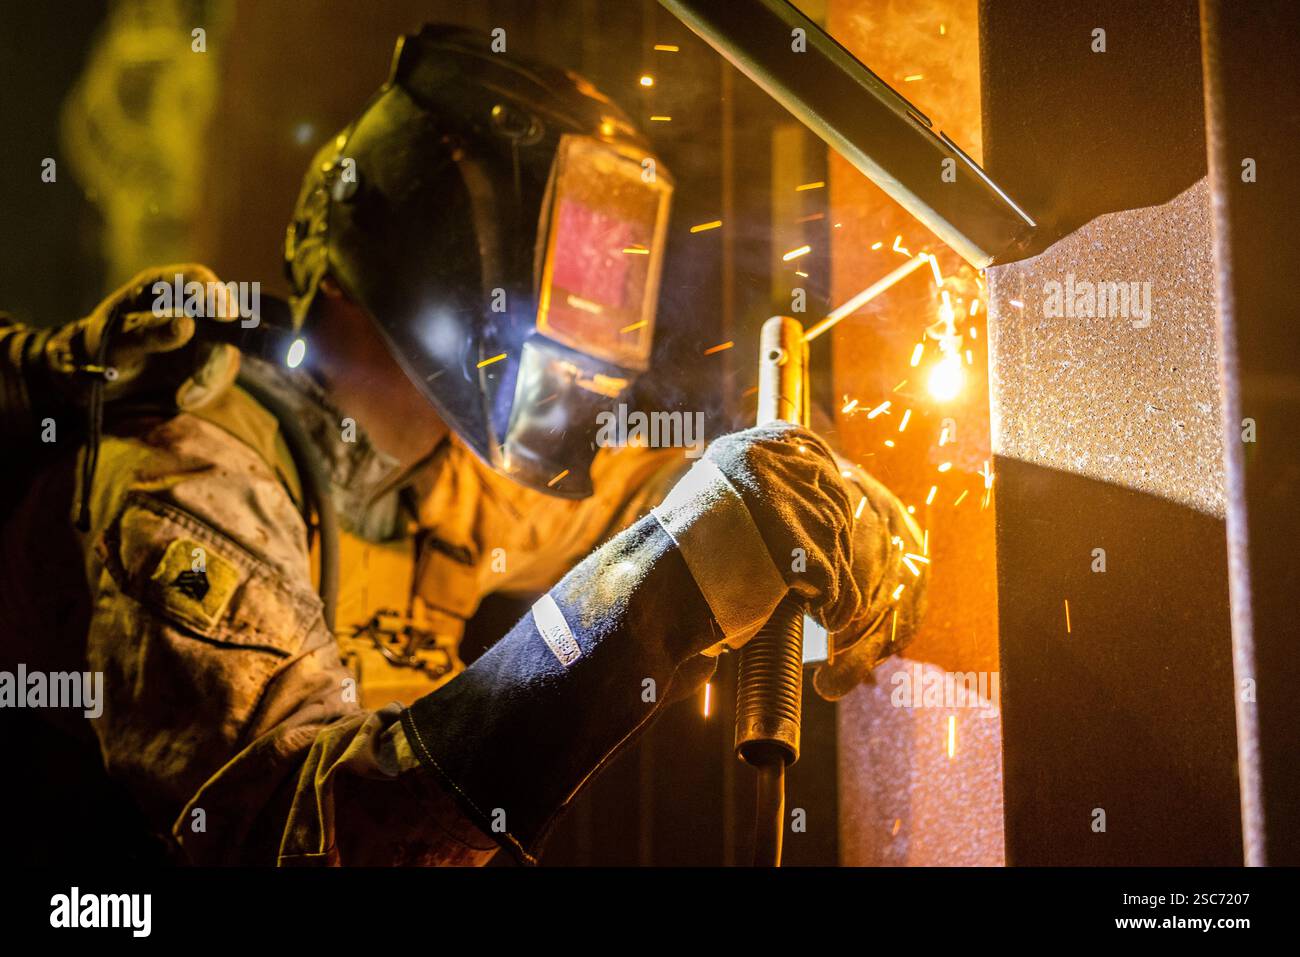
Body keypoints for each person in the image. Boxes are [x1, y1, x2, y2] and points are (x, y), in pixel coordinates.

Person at [0, 25, 926, 865]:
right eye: (565, 275)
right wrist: (676, 577)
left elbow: (639, 501)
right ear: (443, 256)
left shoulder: (444, 465)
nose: (583, 338)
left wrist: (820, 500)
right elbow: (310, 838)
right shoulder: (191, 482)